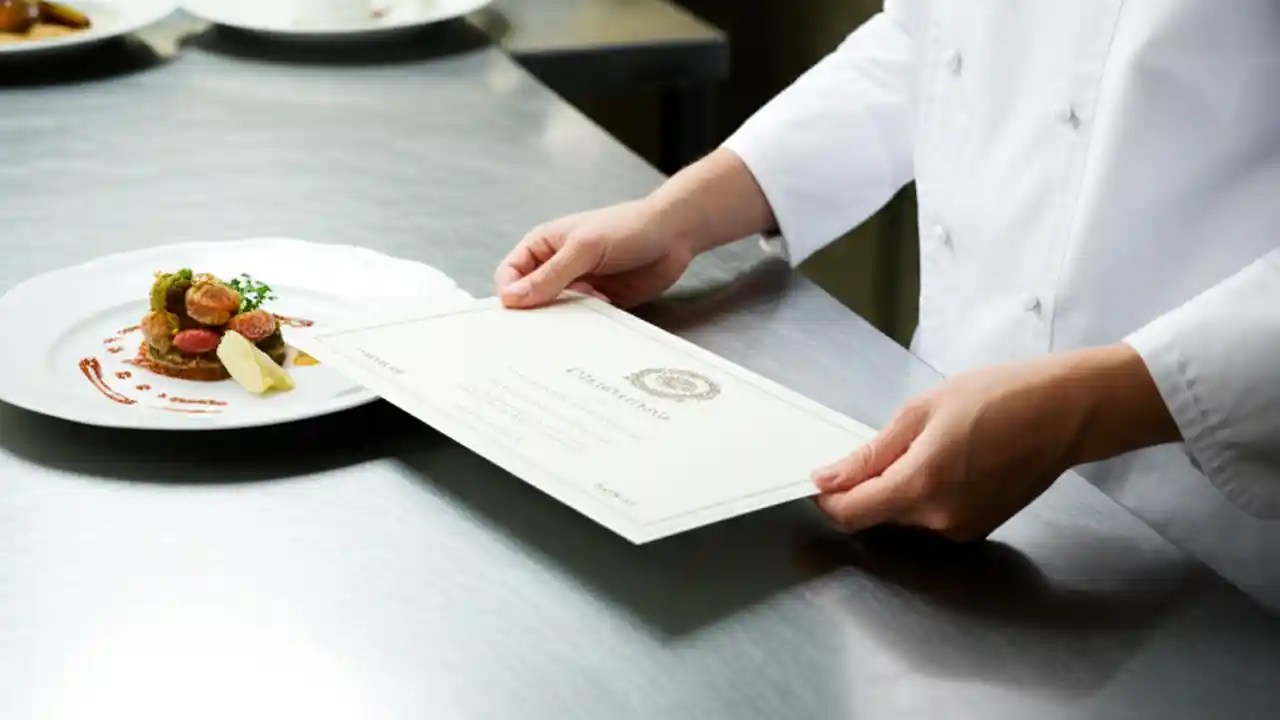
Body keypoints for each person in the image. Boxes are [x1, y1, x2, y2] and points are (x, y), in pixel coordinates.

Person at [493, 2, 1280, 610]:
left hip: (1209, 519)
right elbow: (920, 44)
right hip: (938, 471)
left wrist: (1089, 406)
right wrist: (683, 213)